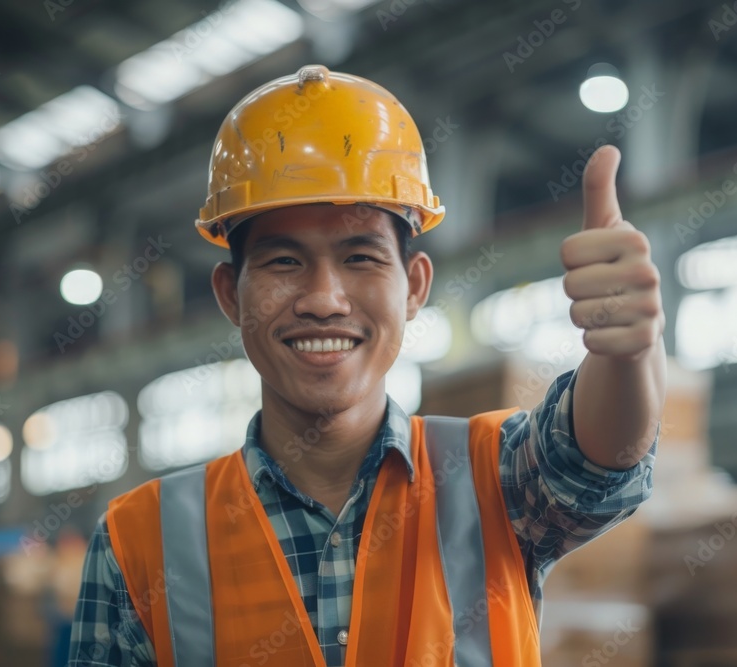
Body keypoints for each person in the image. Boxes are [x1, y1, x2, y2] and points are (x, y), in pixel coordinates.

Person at [68, 64, 664, 666]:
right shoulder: (139, 540)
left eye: (360, 257)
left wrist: (629, 355)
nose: (325, 299)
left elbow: (596, 460)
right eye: (282, 262)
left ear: (414, 286)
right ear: (229, 294)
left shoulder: (495, 481)